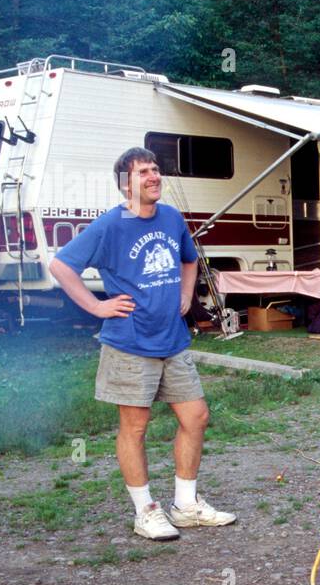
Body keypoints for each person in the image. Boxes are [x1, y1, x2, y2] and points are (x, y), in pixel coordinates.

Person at [48, 146, 235, 541]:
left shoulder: (171, 217)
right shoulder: (109, 226)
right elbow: (61, 266)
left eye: (155, 170)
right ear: (124, 185)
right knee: (135, 427)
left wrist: (187, 294)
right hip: (130, 342)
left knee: (196, 417)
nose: (154, 177)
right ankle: (145, 511)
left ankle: (185, 506)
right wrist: (97, 307)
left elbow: (189, 259)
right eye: (143, 173)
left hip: (173, 339)